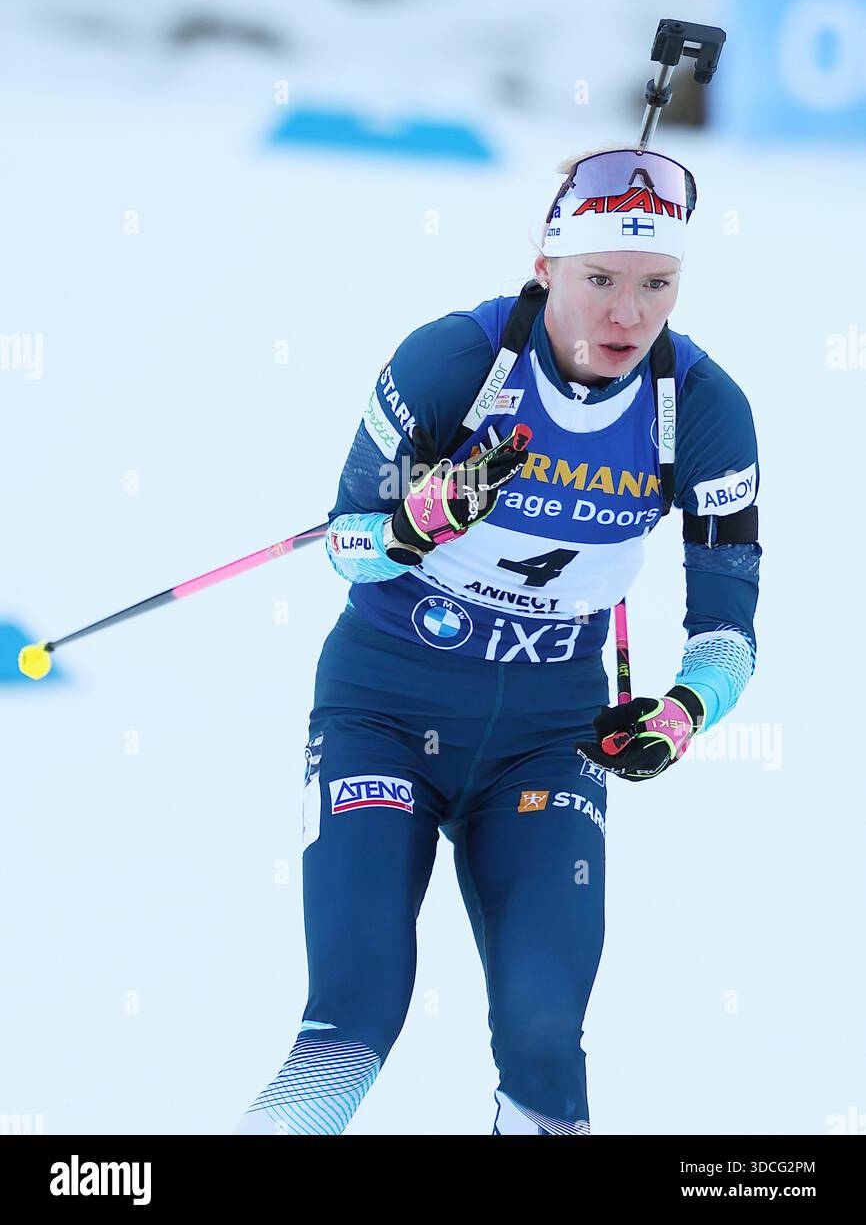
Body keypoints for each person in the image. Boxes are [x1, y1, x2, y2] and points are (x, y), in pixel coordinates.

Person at [236, 146, 761, 1135]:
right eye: (599, 279)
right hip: (384, 713)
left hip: (546, 741)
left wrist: (683, 711)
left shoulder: (699, 409)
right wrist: (413, 523)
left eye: (656, 285)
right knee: (350, 1021)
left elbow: (726, 628)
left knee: (542, 1033)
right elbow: (347, 547)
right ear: (545, 265)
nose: (626, 314)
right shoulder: (452, 363)